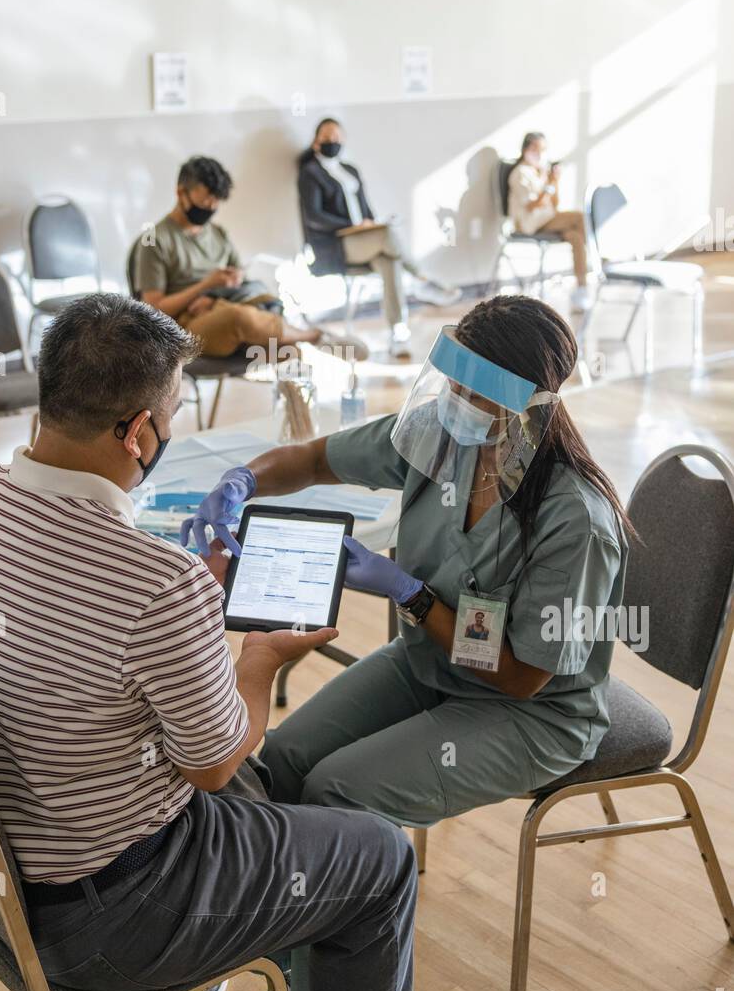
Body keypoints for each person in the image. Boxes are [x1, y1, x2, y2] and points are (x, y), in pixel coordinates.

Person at [0, 293, 416, 991]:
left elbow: (78, 637)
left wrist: (185, 616)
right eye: (172, 415)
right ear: (137, 433)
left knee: (277, 798)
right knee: (382, 860)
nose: (171, 429)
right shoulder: (158, 584)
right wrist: (259, 656)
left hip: (6, 875)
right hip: (113, 914)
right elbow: (213, 764)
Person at [185, 294, 631, 831]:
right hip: (431, 663)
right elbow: (312, 459)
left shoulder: (573, 519)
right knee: (279, 762)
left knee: (336, 792)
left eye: (474, 391)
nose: (455, 400)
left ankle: (337, 905)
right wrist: (246, 480)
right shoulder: (442, 438)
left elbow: (519, 677)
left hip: (530, 714)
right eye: (452, 381)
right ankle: (277, 900)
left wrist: (411, 595)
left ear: (521, 402)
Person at [133, 154, 367, 363]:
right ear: (181, 192)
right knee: (239, 318)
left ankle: (297, 368)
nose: (211, 206)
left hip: (223, 306)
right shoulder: (154, 239)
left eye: (217, 201)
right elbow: (152, 307)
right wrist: (205, 286)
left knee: (288, 350)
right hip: (184, 326)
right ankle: (314, 336)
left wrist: (218, 291)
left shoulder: (217, 234)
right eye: (205, 200)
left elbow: (239, 273)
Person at [298, 118, 459, 360]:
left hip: (366, 239)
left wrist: (371, 224)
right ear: (316, 141)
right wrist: (352, 226)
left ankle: (397, 334)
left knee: (390, 261)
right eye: (327, 137)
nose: (333, 142)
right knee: (387, 236)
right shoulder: (309, 173)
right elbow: (313, 217)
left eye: (337, 138)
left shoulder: (350, 170)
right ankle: (420, 280)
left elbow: (366, 211)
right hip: (336, 244)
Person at [508, 132, 591, 311]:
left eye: (543, 149)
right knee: (579, 218)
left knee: (576, 236)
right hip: (531, 223)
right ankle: (597, 259)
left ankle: (581, 288)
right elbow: (532, 206)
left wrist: (555, 182)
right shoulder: (519, 173)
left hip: (547, 219)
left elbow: (554, 203)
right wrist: (550, 184)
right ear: (525, 149)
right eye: (535, 149)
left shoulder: (540, 172)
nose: (539, 153)